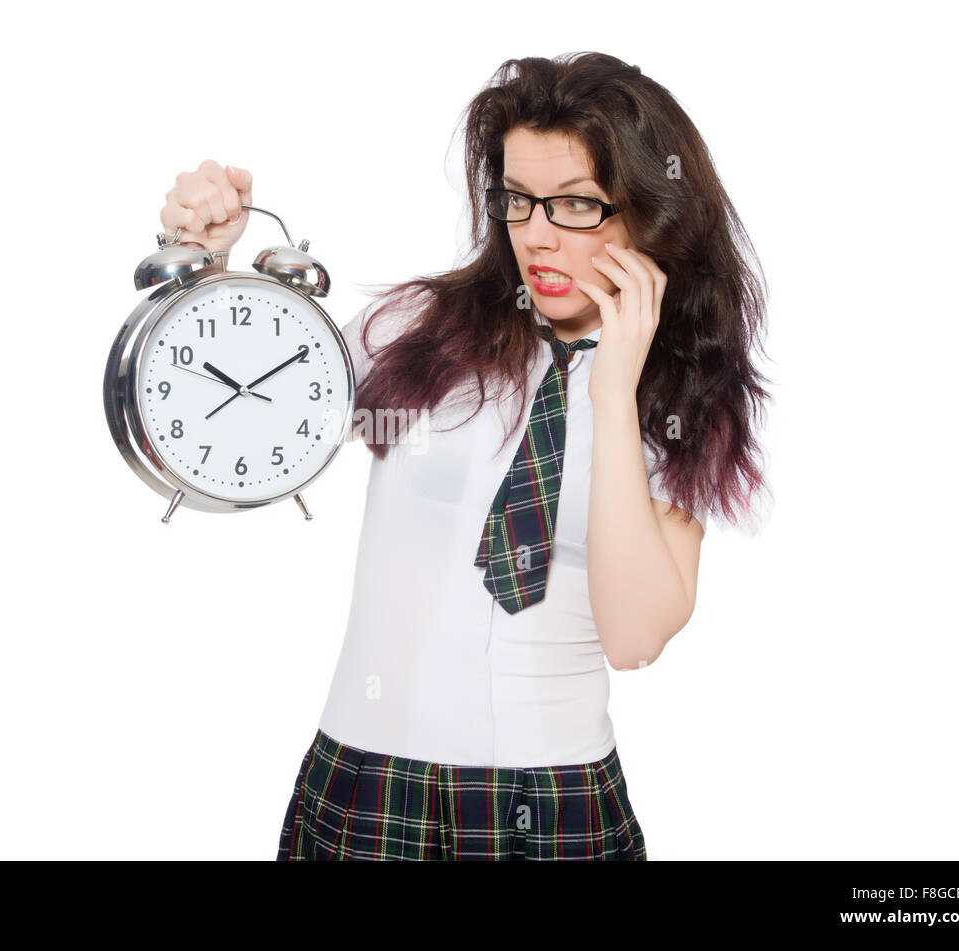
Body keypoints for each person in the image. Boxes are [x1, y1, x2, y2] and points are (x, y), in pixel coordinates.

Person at [160, 52, 770, 861]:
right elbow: (227, 434)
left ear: (650, 215)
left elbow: (635, 636)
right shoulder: (422, 327)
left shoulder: (683, 394)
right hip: (369, 785)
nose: (538, 235)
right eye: (519, 200)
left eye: (577, 205)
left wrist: (613, 393)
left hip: (555, 799)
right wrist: (202, 271)